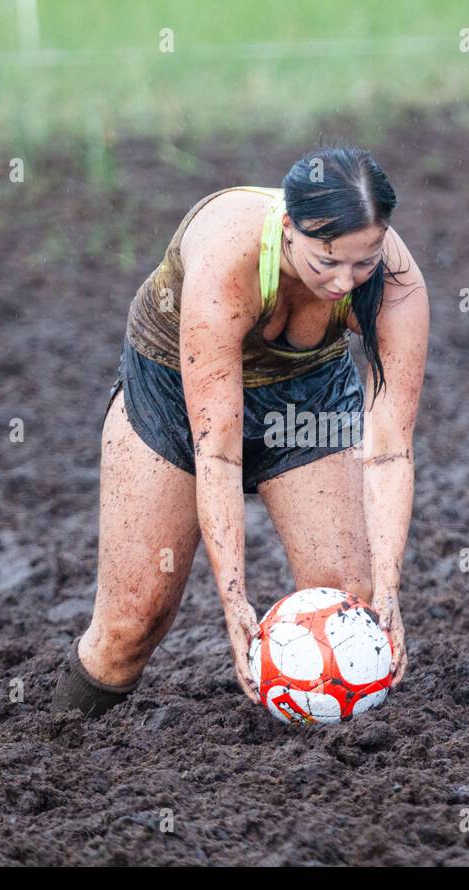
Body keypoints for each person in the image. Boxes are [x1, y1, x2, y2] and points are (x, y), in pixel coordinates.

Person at [51, 145, 429, 718]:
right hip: (175, 388)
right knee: (131, 626)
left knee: (353, 616)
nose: (344, 281)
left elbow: (390, 452)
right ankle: (58, 747)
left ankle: (335, 787)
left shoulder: (396, 283)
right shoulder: (230, 261)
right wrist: (233, 599)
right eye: (326, 261)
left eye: (363, 261)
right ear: (287, 228)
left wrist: (390, 587)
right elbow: (220, 454)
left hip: (306, 395)